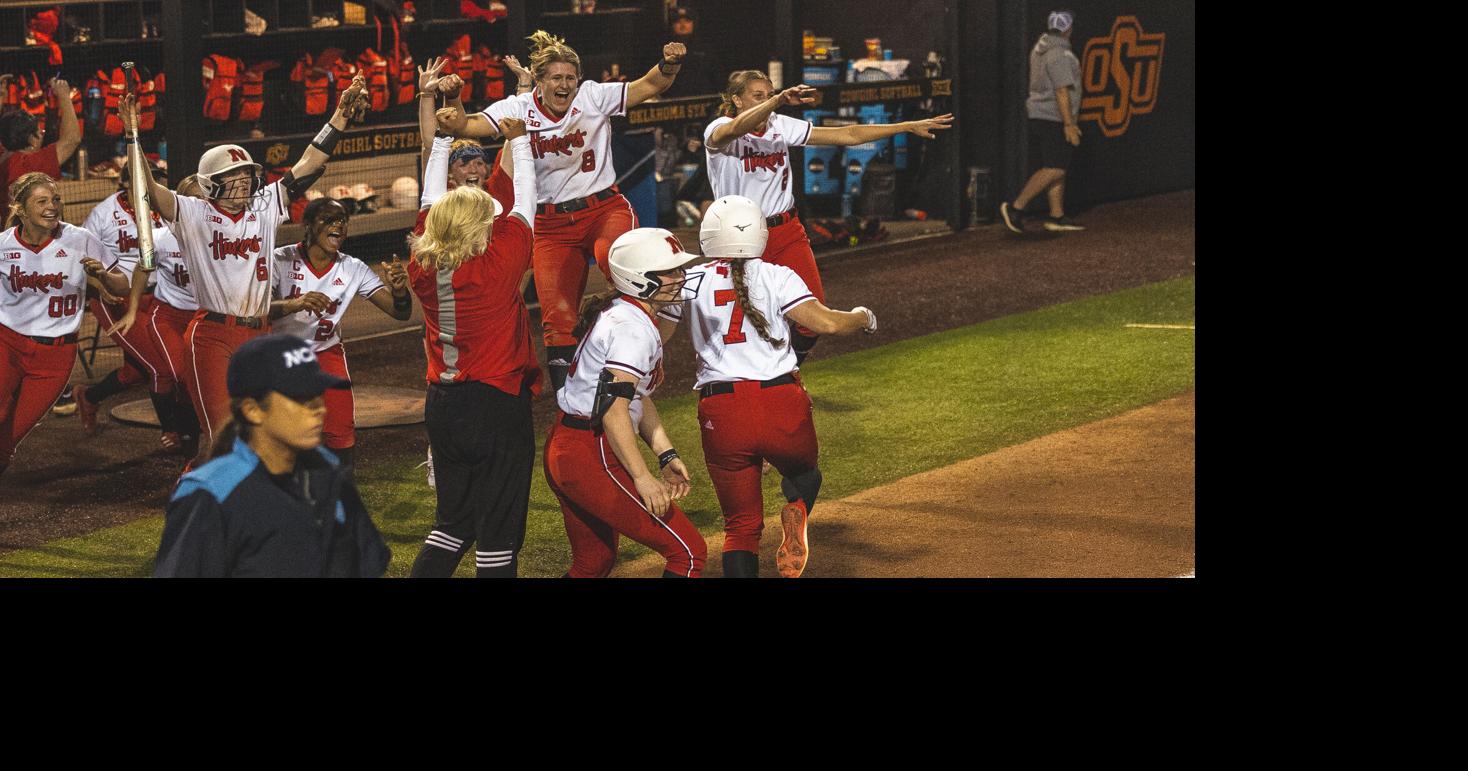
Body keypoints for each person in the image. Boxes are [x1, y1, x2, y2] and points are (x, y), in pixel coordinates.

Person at [121, 77, 370, 468]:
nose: (242, 182)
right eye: (231, 176)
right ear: (210, 184)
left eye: (245, 174)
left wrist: (338, 117)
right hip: (213, 336)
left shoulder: (264, 205)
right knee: (224, 439)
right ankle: (196, 506)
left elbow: (311, 162)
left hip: (260, 335)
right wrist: (132, 135)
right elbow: (148, 190)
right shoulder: (193, 212)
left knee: (259, 438)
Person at [437, 30, 689, 392]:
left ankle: (643, 363)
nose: (565, 84)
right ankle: (570, 406)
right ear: (539, 81)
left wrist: (671, 63)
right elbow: (465, 125)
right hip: (551, 224)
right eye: (556, 77)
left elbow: (649, 85)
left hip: (603, 209)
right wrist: (455, 98)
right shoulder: (518, 108)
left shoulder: (592, 96)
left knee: (627, 272)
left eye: (570, 77)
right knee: (557, 318)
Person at [665, 196, 877, 577]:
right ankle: (796, 510)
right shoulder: (777, 274)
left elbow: (656, 334)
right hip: (780, 402)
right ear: (759, 234)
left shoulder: (688, 280)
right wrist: (863, 317)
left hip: (721, 413)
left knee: (740, 529)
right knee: (805, 475)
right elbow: (827, 324)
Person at [704, 70, 950, 365]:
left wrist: (906, 126)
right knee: (742, 320)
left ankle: (786, 373)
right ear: (736, 100)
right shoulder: (719, 127)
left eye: (768, 95)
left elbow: (847, 135)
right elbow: (731, 132)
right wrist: (779, 100)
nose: (766, 101)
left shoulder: (780, 125)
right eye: (758, 96)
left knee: (812, 317)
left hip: (785, 231)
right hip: (738, 238)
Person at [405, 116, 540, 578]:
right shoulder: (499, 264)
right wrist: (519, 141)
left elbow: (428, 204)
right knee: (498, 537)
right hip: (495, 405)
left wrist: (441, 140)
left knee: (452, 525)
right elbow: (526, 201)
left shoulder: (421, 266)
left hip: (443, 404)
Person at [153, 334, 391, 578]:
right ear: (253, 410)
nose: (318, 407)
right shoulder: (212, 493)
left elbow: (364, 564)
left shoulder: (325, 470)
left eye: (317, 394)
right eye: (299, 398)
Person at [543, 227, 707, 578]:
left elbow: (636, 396)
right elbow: (614, 410)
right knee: (688, 554)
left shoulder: (625, 312)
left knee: (594, 562)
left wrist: (665, 453)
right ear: (639, 279)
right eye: (671, 271)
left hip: (569, 447)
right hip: (590, 455)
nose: (680, 278)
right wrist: (643, 477)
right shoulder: (631, 327)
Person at [268, 198, 413, 470]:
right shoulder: (280, 259)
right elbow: (254, 311)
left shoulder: (353, 268)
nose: (338, 225)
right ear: (308, 225)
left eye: (342, 220)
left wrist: (400, 290)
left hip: (326, 352)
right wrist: (293, 304)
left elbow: (400, 312)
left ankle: (341, 494)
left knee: (341, 430)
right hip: (280, 356)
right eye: (329, 219)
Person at [1, 172, 129, 475]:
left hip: (56, 358)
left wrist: (102, 275)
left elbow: (122, 285)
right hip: (8, 344)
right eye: (42, 201)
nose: (52, 206)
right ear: (21, 208)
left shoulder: (80, 239)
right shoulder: (3, 246)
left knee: (8, 440)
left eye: (55, 199)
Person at [72, 160, 199, 454]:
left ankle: (89, 396)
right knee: (159, 368)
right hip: (116, 298)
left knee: (139, 371)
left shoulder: (168, 211)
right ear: (126, 182)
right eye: (146, 182)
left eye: (158, 183)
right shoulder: (104, 214)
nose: (153, 189)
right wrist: (101, 289)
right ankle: (173, 431)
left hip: (159, 297)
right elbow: (82, 259)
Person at [1001, 9, 1086, 234]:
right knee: (1056, 168)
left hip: (1040, 114)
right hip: (1054, 117)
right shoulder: (1060, 54)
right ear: (1068, 29)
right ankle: (1016, 208)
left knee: (1056, 166)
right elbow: (1061, 91)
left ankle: (1056, 215)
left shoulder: (1041, 49)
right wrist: (1069, 123)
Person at [0, 77, 81, 216]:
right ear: (32, 139)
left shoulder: (4, 160)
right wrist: (63, 95)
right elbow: (72, 139)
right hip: (30, 235)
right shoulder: (29, 165)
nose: (42, 135)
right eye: (40, 132)